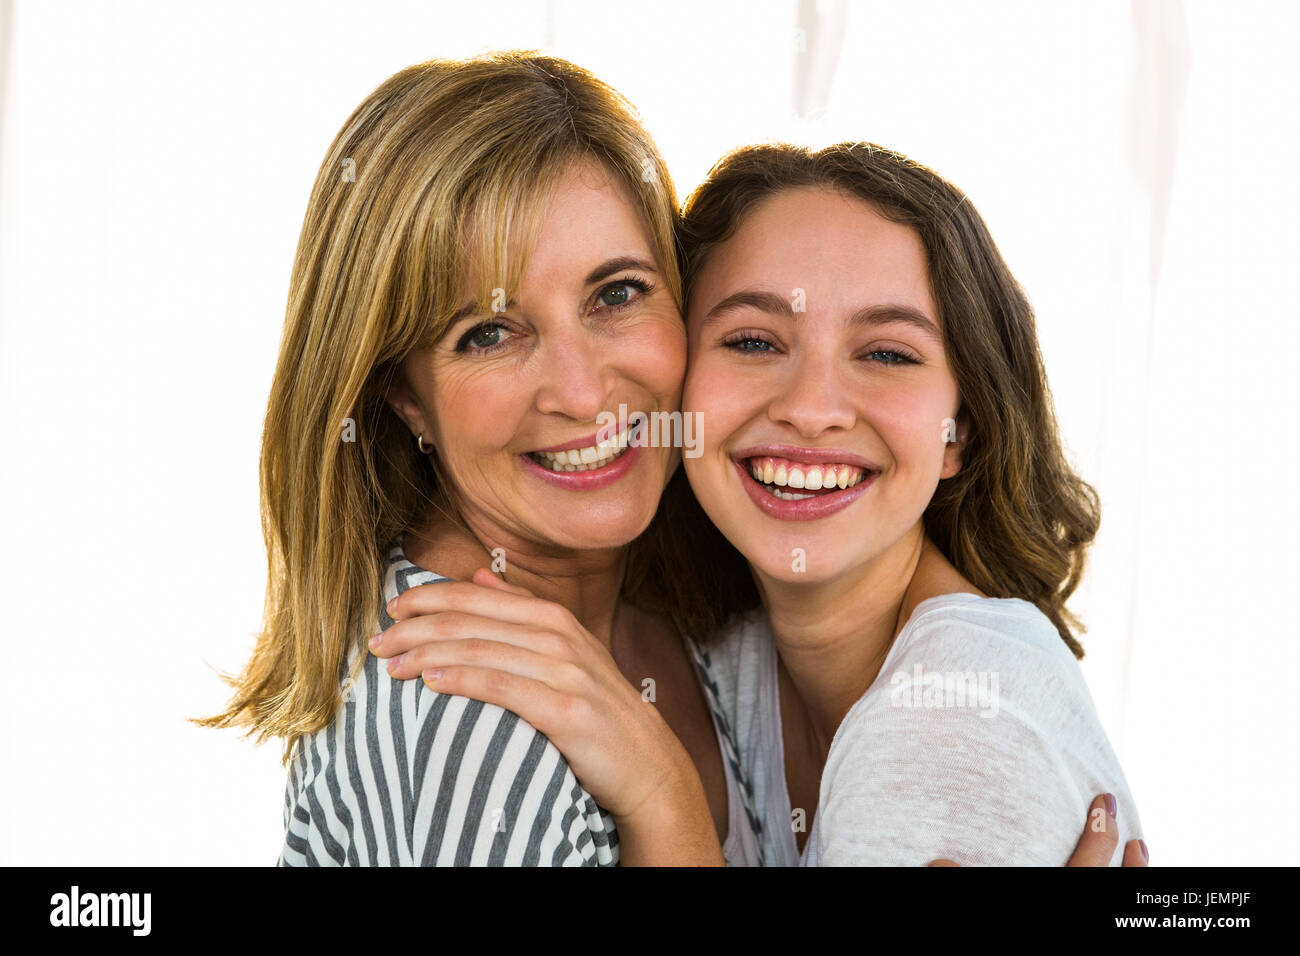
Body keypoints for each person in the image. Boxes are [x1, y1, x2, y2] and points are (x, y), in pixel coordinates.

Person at [376, 136, 1148, 866]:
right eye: (752, 341)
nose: (812, 410)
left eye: (887, 353)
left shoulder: (942, 731)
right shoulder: (721, 649)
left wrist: (661, 793)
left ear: (961, 432)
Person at [193, 51, 753, 865]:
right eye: (488, 333)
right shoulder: (461, 727)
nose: (583, 391)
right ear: (404, 396)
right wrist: (668, 806)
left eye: (618, 293)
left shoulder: (669, 614)